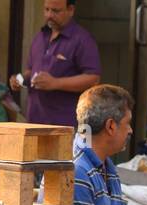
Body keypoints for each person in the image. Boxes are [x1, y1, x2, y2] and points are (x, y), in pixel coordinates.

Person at [12, 0, 101, 128]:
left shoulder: (82, 40)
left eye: (55, 11)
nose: (49, 15)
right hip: (34, 121)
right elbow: (31, 70)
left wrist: (56, 83)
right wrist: (19, 80)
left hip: (64, 123)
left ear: (70, 10)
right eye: (46, 9)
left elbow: (93, 78)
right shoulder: (40, 37)